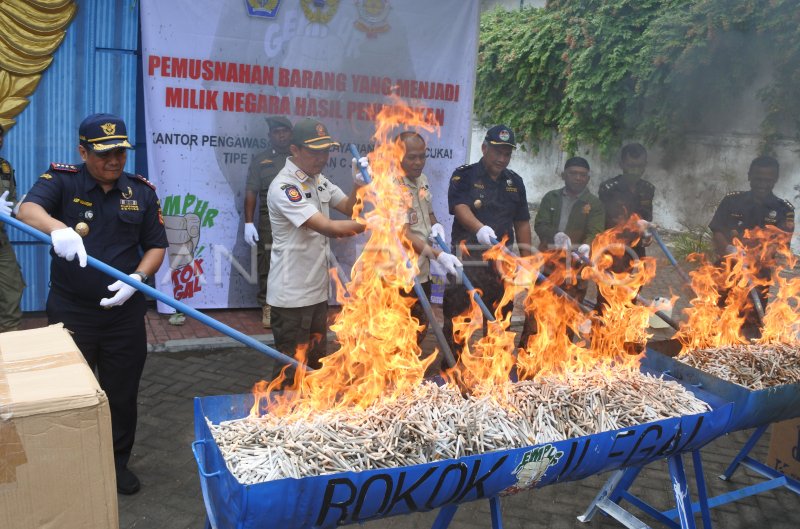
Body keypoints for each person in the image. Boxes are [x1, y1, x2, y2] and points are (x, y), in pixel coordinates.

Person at [18, 113, 168, 495]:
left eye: (119, 152)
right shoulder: (63, 181)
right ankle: (70, 462)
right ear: (82, 151)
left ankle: (115, 464)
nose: (114, 161)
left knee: (121, 392)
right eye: (104, 154)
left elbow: (156, 246)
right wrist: (59, 229)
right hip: (72, 311)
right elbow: (27, 210)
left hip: (124, 313)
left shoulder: (141, 192)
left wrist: (137, 280)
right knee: (70, 391)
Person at [266, 118, 366, 381]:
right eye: (314, 151)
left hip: (316, 293)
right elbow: (329, 227)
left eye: (325, 150)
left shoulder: (318, 180)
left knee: (315, 366)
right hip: (291, 297)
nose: (322, 157)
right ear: (295, 150)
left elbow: (349, 207)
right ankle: (282, 419)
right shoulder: (285, 187)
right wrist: (372, 225)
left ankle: (309, 419)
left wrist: (358, 184)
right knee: (290, 372)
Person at [443, 124, 532, 357]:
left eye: (507, 154)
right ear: (484, 148)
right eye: (497, 152)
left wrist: (526, 261)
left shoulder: (515, 182)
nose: (502, 159)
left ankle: (494, 369)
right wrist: (480, 229)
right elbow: (460, 208)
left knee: (499, 319)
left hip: (501, 264)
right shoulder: (464, 175)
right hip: (467, 260)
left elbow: (522, 222)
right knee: (458, 320)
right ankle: (453, 370)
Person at [708, 155, 794, 333]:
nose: (762, 183)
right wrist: (729, 250)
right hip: (726, 269)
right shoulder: (731, 201)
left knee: (751, 325)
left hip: (757, 277)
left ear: (775, 180)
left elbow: (780, 242)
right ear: (749, 176)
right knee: (716, 319)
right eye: (758, 178)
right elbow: (717, 230)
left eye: (768, 180)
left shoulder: (783, 210)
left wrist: (753, 258)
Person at [397, 131, 462, 347]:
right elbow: (404, 234)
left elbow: (428, 211)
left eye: (422, 156)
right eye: (412, 157)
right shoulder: (393, 187)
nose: (418, 162)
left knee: (420, 327)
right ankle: (392, 377)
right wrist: (438, 254)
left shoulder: (422, 180)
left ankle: (408, 372)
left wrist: (436, 226)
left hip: (422, 270)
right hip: (399, 274)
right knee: (397, 332)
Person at [243, 116, 293, 328]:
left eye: (284, 131)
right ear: (269, 136)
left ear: (291, 134)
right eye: (276, 132)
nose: (281, 135)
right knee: (268, 265)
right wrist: (248, 223)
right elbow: (251, 192)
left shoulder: (300, 158)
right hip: (269, 222)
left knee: (296, 264)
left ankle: (292, 308)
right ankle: (268, 308)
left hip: (298, 221)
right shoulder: (261, 160)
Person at [533, 156, 604, 299]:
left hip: (577, 268)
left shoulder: (594, 204)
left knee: (571, 313)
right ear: (564, 175)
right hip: (549, 264)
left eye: (583, 175)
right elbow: (540, 224)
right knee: (538, 309)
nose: (578, 178)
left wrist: (586, 246)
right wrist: (556, 235)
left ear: (588, 178)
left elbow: (595, 232)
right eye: (573, 173)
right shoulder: (551, 197)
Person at [598, 142, 655, 258]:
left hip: (638, 246)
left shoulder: (647, 189)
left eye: (640, 166)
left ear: (645, 165)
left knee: (640, 275)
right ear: (622, 164)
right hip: (614, 245)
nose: (636, 171)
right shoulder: (609, 188)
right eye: (631, 166)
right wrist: (634, 223)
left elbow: (647, 216)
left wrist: (647, 233)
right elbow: (607, 221)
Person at [0, 124, 25, 332]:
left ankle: (9, 346)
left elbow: (11, 201)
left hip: (0, 242)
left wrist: (20, 208)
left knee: (12, 289)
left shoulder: (4, 167)